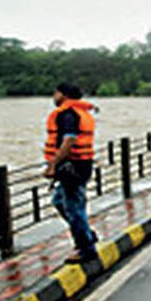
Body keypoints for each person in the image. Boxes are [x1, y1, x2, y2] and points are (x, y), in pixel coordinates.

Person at [43, 83, 99, 263]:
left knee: (74, 208)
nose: (54, 96)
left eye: (56, 93)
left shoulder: (68, 114)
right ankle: (87, 234)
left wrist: (53, 164)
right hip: (81, 164)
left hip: (72, 167)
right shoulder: (81, 112)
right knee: (59, 201)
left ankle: (86, 249)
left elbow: (69, 140)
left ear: (64, 95)